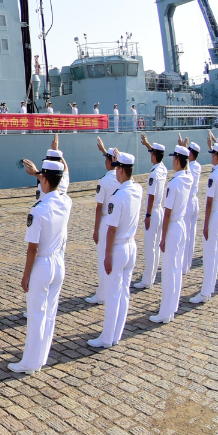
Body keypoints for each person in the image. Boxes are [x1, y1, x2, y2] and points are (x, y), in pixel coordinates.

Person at [8, 159, 72, 373]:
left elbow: (32, 248)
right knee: (50, 314)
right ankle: (41, 357)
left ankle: (29, 363)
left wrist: (26, 274)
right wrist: (39, 173)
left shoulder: (38, 210)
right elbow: (57, 185)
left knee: (36, 315)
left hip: (42, 265)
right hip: (58, 263)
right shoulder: (66, 201)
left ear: (43, 179)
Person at [89, 152, 142, 348]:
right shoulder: (137, 189)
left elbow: (111, 230)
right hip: (131, 246)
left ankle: (106, 338)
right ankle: (116, 334)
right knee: (124, 293)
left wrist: (107, 255)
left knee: (112, 294)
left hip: (118, 248)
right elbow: (132, 180)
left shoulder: (117, 197)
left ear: (119, 170)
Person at [152, 145, 193, 324]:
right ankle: (173, 307)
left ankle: (165, 313)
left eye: (174, 159)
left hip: (173, 227)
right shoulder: (187, 178)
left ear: (177, 160)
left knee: (168, 272)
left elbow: (167, 212)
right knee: (176, 270)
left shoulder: (174, 183)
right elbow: (188, 169)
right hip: (182, 225)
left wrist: (163, 237)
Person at [191, 137, 218, 304]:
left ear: (215, 157)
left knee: (209, 254)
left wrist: (205, 224)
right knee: (215, 252)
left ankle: (205, 292)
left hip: (213, 216)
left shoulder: (214, 175)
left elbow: (209, 201)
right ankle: (210, 286)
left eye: (213, 154)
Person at [87, 141, 120, 305]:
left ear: (108, 161)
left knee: (103, 259)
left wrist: (95, 229)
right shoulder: (122, 179)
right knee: (113, 258)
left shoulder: (103, 181)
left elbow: (99, 207)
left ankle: (102, 294)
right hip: (118, 220)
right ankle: (109, 291)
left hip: (106, 220)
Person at [135, 138, 169, 288]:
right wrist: (148, 145)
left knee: (150, 247)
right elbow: (157, 154)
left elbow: (151, 195)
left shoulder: (153, 174)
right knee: (155, 247)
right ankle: (152, 276)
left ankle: (147, 280)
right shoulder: (163, 168)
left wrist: (147, 215)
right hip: (160, 210)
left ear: (154, 156)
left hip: (153, 212)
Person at [182, 140, 202, 275]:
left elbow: (186, 174)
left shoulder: (192, 167)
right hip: (194, 200)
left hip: (189, 201)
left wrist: (183, 149)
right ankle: (187, 263)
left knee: (187, 235)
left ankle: (184, 265)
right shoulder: (197, 165)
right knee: (191, 234)